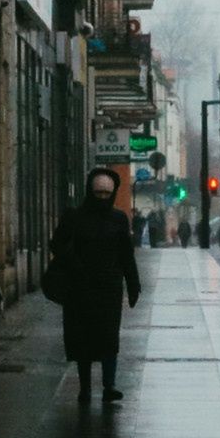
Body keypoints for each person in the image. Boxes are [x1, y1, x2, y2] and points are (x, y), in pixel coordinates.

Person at [51, 168, 141, 404]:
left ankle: (109, 385)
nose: (102, 198)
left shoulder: (118, 219)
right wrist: (73, 262)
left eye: (106, 194)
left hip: (108, 289)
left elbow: (126, 255)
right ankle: (85, 387)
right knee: (82, 340)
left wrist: (133, 284)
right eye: (98, 193)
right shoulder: (73, 217)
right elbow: (57, 244)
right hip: (79, 288)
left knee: (109, 338)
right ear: (90, 192)